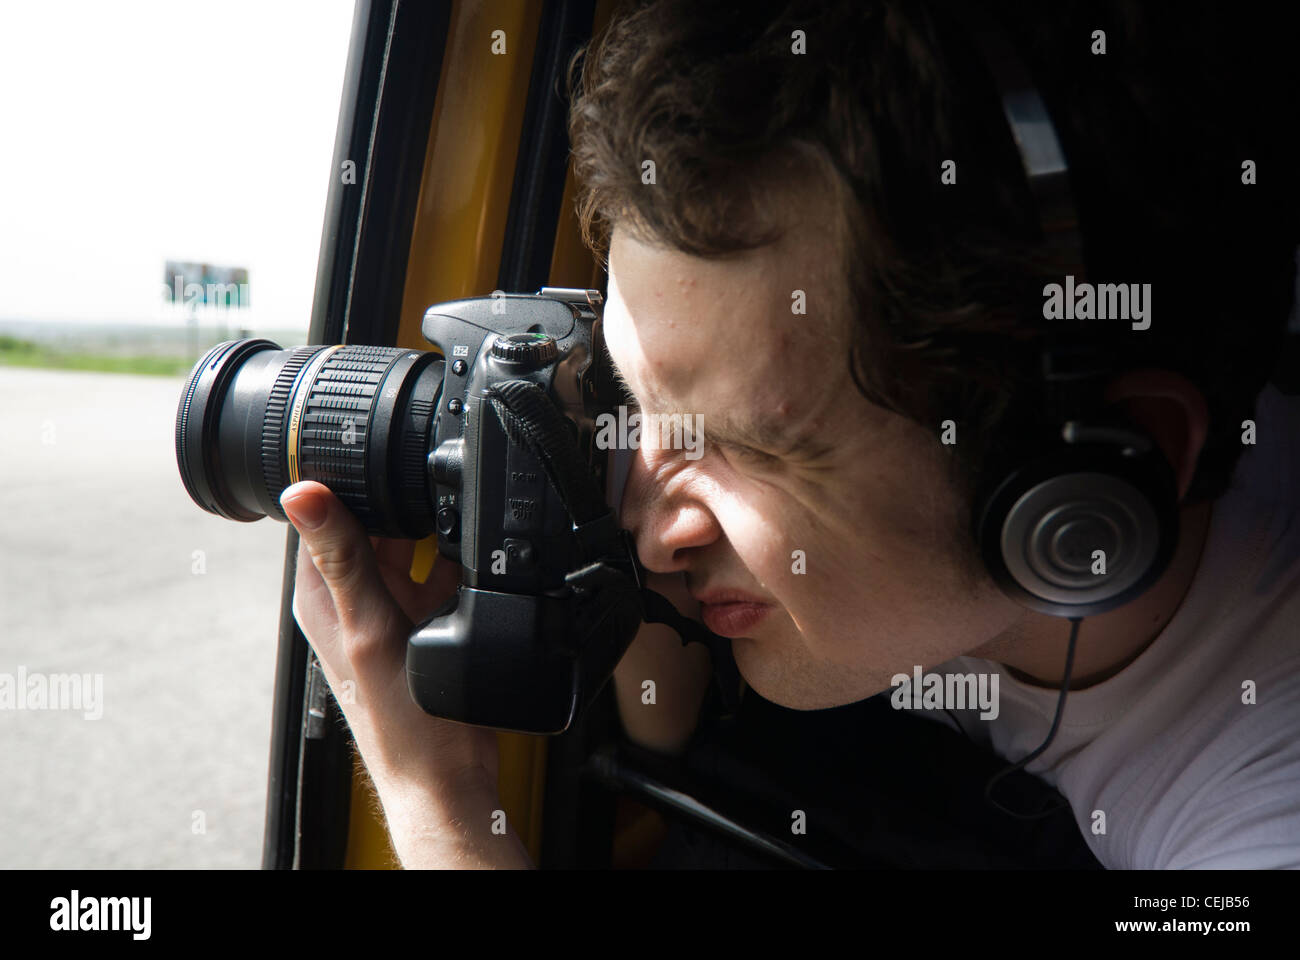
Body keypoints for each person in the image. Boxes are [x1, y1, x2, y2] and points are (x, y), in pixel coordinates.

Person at [279, 0, 1300, 868]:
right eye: (640, 404)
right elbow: (662, 723)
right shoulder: (924, 593)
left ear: (1085, 476)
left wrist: (438, 805)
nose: (654, 525)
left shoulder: (1267, 803)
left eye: (752, 448)